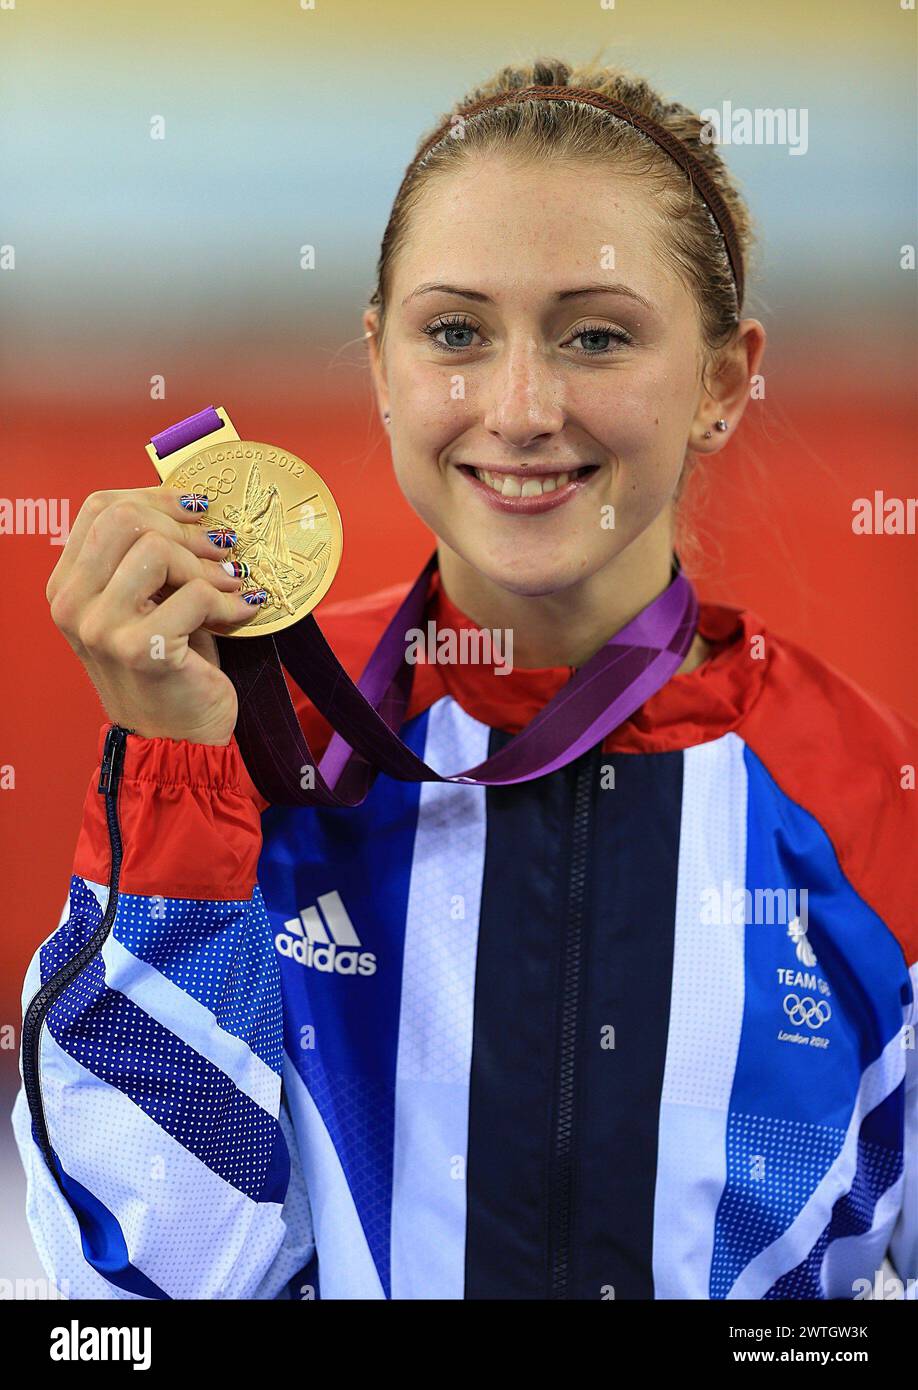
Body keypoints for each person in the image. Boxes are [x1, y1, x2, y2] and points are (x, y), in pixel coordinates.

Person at [13, 59, 916, 1301]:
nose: (524, 407)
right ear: (381, 365)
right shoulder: (244, 749)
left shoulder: (871, 799)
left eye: (596, 335)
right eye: (456, 334)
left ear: (722, 379)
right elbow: (146, 1297)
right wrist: (173, 771)